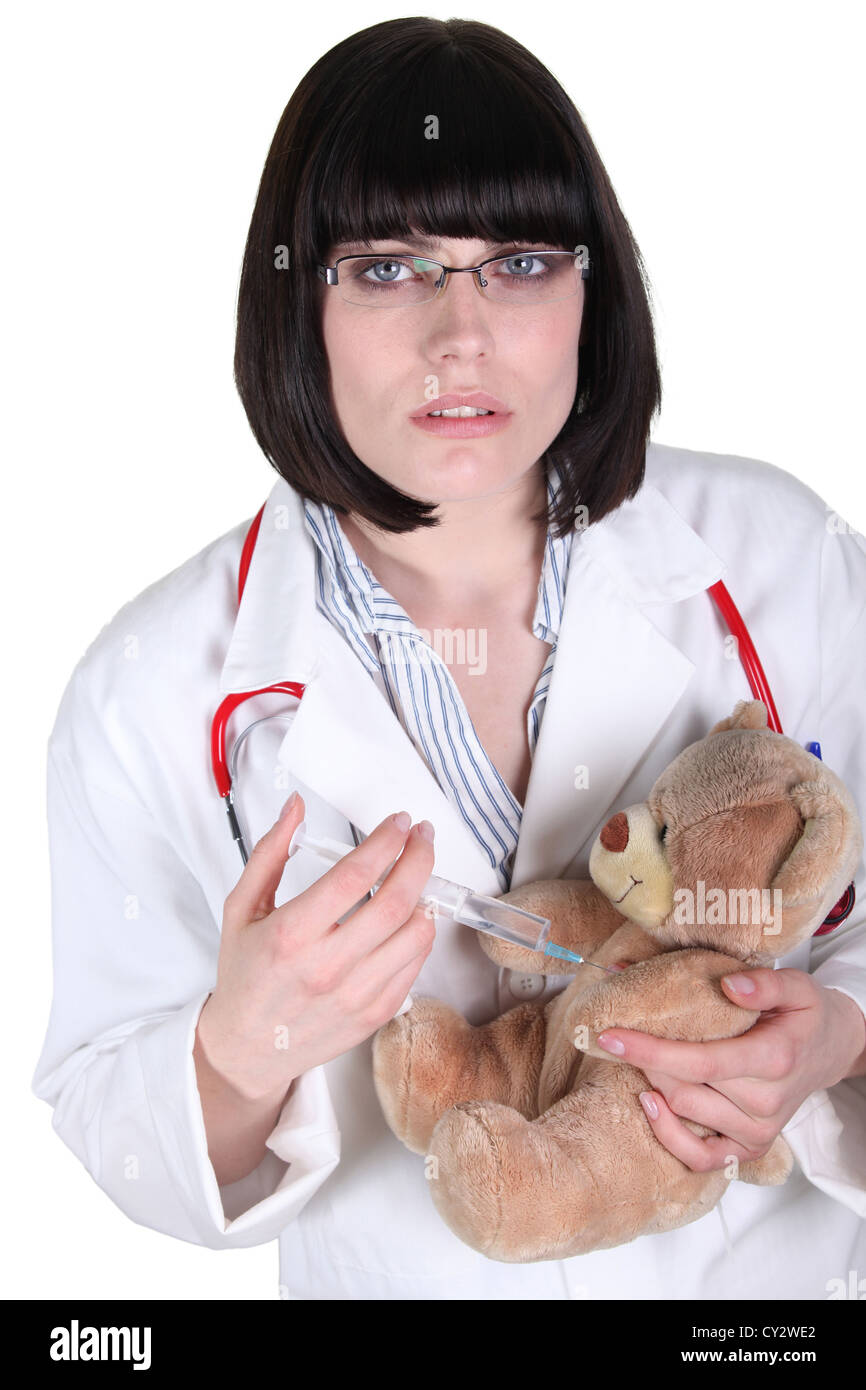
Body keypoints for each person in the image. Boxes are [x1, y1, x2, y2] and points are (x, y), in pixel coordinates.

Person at [32, 16, 866, 1301]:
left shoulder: (778, 558)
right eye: (386, 269)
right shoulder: (148, 692)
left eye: (519, 261)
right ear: (292, 294)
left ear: (594, 289)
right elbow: (103, 1093)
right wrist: (237, 1052)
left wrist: (834, 1043)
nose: (459, 337)